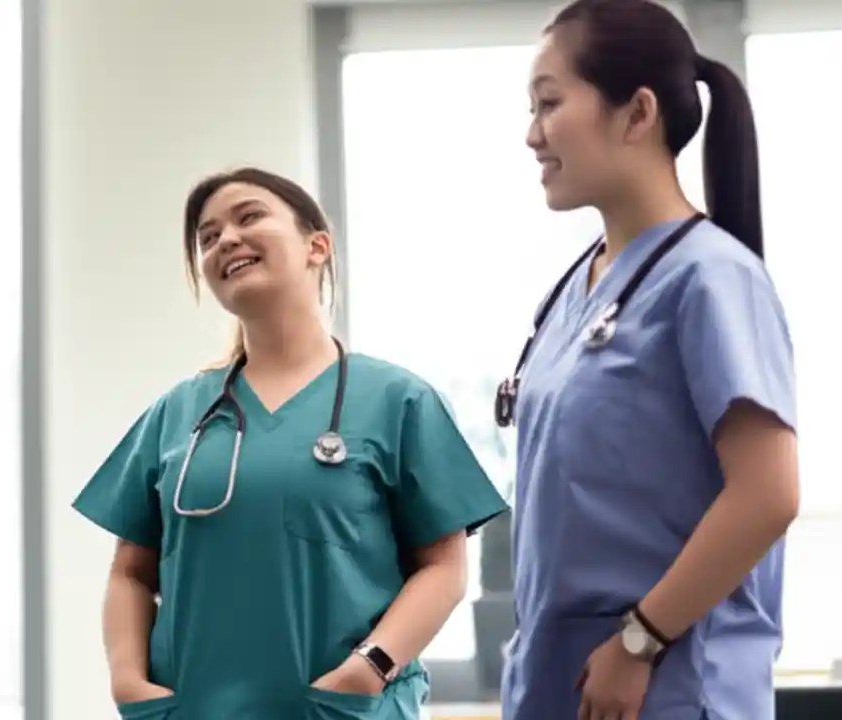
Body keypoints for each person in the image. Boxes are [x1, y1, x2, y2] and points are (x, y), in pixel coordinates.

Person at [73, 167, 509, 720]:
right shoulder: (178, 413)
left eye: (249, 216)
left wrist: (370, 667)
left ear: (317, 246)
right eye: (207, 238)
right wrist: (128, 679)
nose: (226, 239)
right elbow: (131, 572)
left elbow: (444, 567)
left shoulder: (396, 400)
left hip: (337, 710)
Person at [499, 1, 800, 718]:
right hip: (558, 678)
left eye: (548, 103)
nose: (531, 134)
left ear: (636, 114)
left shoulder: (710, 277)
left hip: (667, 684)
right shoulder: (576, 287)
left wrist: (642, 639)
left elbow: (768, 494)